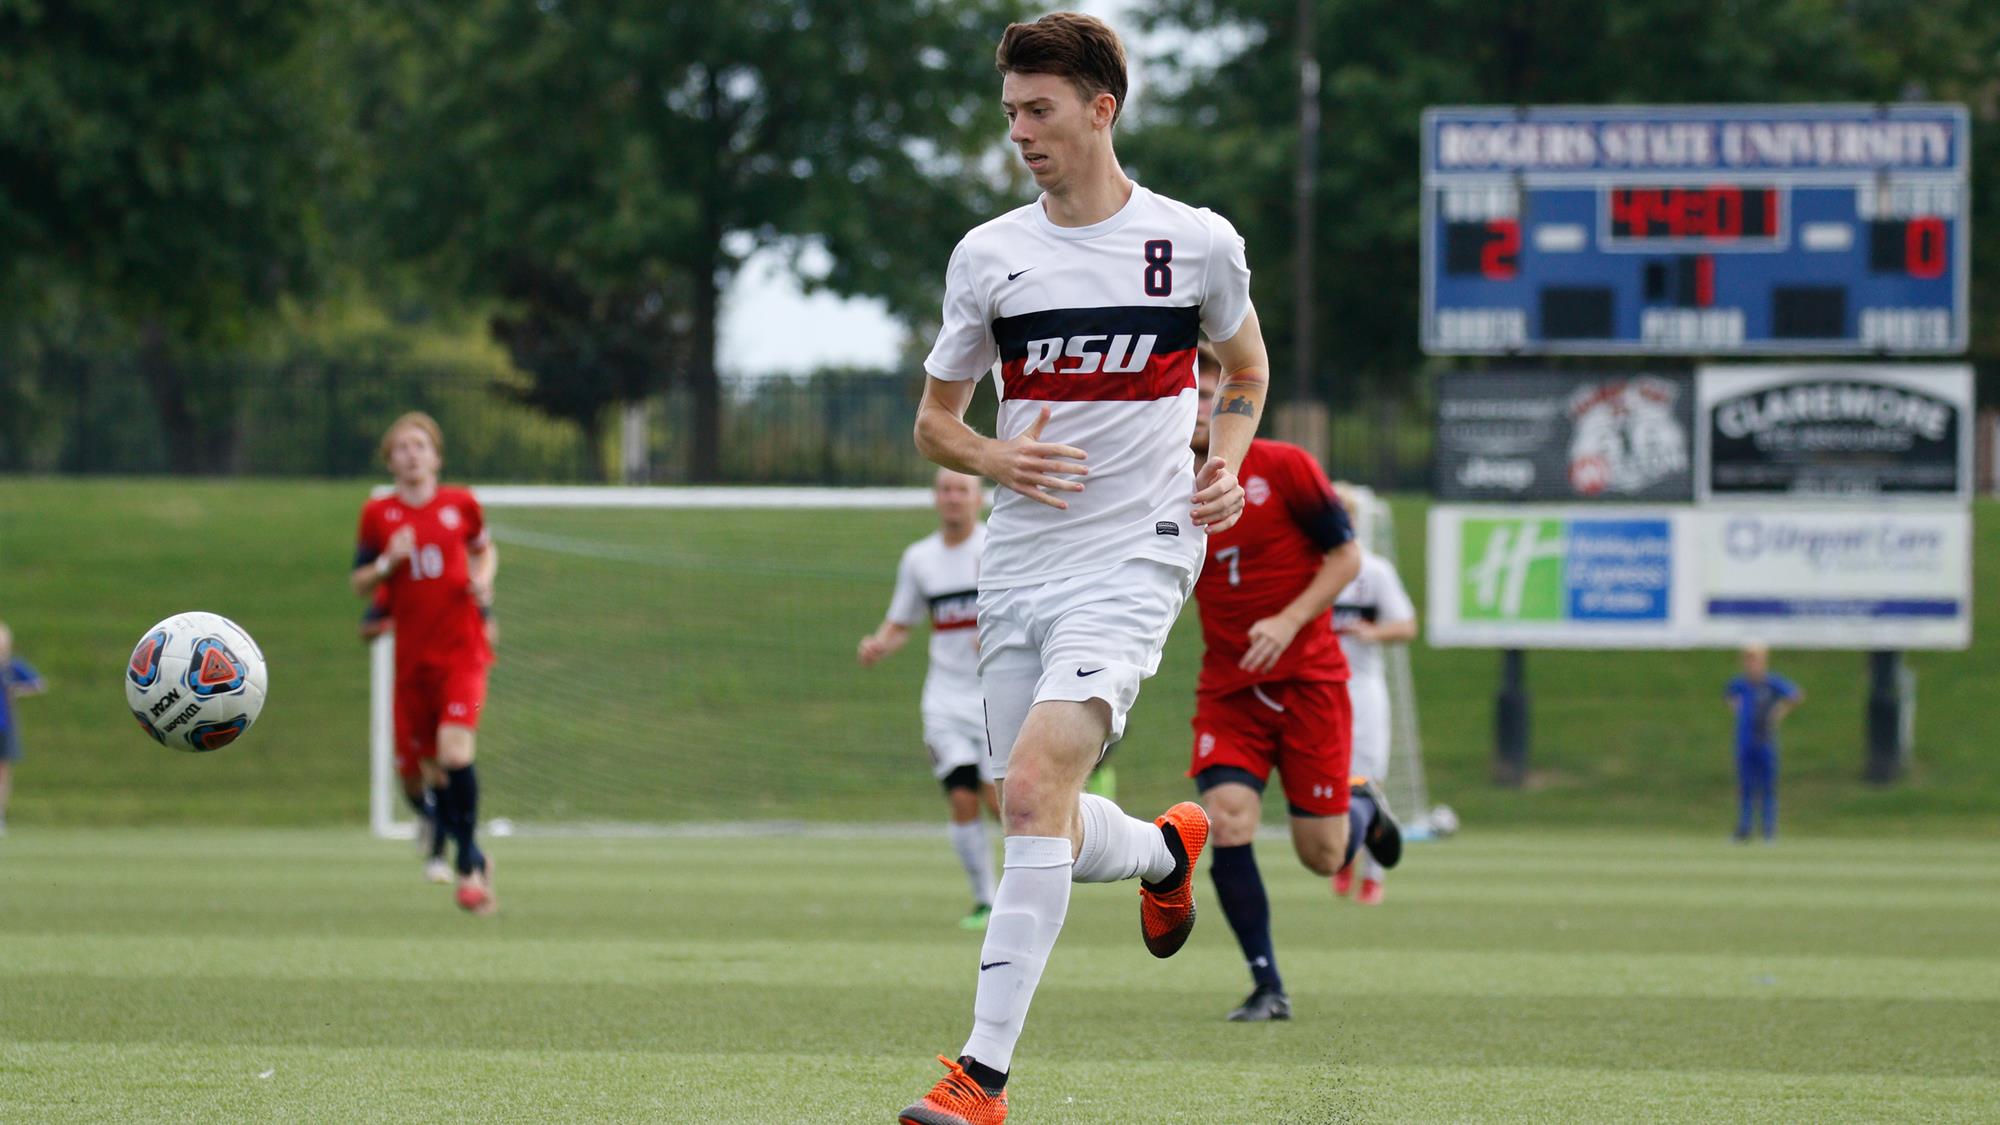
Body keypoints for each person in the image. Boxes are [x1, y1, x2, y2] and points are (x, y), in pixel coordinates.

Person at [898, 13, 1268, 1122]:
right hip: (1020, 557)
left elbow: (1242, 367)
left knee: (1028, 785)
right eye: (1009, 112)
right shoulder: (989, 254)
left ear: (1100, 110)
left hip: (1139, 548)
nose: (1018, 131)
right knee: (1037, 809)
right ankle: (1162, 850)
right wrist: (995, 452)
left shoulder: (1195, 242)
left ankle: (980, 1076)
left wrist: (1227, 459)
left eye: (1038, 110)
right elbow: (932, 423)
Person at [1184, 348, 1375, 1022]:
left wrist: (1290, 619)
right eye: (1189, 390)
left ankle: (1364, 808)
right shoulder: (1158, 482)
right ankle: (1267, 983)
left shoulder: (1285, 466)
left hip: (1308, 679)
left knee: (1322, 856)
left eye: (1212, 390)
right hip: (1230, 689)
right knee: (1228, 820)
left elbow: (1346, 555)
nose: (1201, 403)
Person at [351, 412, 500, 912]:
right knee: (418, 777)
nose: (411, 454)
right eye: (401, 447)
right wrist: (388, 564)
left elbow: (484, 550)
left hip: (461, 651)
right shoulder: (378, 514)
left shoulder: (462, 504)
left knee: (455, 754)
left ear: (436, 456)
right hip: (412, 661)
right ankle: (443, 830)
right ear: (389, 460)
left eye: (420, 446)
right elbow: (359, 582)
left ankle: (470, 863)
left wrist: (484, 582)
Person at [859, 468, 1003, 930]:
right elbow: (903, 620)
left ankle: (1034, 891)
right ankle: (986, 901)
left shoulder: (995, 548)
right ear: (935, 498)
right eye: (945, 489)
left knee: (1002, 802)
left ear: (979, 497)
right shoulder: (920, 558)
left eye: (962, 489)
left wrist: (998, 631)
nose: (953, 497)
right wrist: (880, 642)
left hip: (993, 697)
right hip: (943, 699)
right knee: (961, 798)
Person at [1326, 485, 1419, 907]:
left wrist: (1373, 632)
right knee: (1328, 781)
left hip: (1362, 692)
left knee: (1368, 783)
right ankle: (1340, 854)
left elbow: (1407, 626)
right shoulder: (1314, 567)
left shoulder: (1373, 571)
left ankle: (1374, 876)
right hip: (1321, 690)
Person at [361, 585, 452, 884]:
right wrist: (391, 623)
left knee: (439, 772)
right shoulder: (395, 586)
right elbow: (368, 628)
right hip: (409, 689)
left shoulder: (452, 582)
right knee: (411, 779)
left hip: (445, 685)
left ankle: (438, 858)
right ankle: (427, 815)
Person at [1725, 644, 1801, 842]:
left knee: (1767, 787)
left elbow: (1795, 695)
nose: (1752, 664)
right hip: (1745, 741)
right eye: (1749, 660)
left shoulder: (1771, 683)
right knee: (1746, 786)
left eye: (1756, 660)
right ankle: (1744, 828)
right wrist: (1738, 711)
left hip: (1765, 739)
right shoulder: (1740, 684)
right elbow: (1728, 695)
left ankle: (1769, 831)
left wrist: (1778, 712)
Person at [0, 621, 47, 835]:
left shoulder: (12, 667)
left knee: (4, 772)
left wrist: (17, 691)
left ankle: (0, 816)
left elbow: (39, 684)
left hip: (5, 726)